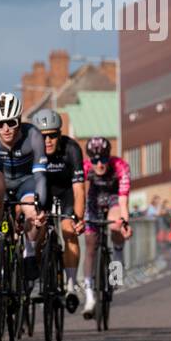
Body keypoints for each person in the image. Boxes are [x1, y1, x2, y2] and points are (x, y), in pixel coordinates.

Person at [0, 92, 48, 331]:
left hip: (26, 182)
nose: (6, 129)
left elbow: (40, 176)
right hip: (0, 186)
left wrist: (39, 205)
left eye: (12, 122)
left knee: (31, 209)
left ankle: (29, 252)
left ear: (20, 121)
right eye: (0, 123)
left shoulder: (33, 136)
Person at [33, 109, 86, 312]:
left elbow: (79, 189)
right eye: (42, 136)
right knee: (36, 234)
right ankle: (38, 278)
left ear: (60, 134)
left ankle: (71, 285)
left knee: (69, 231)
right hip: (42, 195)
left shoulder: (71, 148)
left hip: (66, 195)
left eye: (53, 135)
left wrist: (78, 218)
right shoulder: (32, 148)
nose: (47, 140)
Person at [82, 137, 131, 318]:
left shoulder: (121, 166)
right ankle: (89, 296)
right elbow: (79, 194)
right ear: (89, 160)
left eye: (103, 159)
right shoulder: (85, 167)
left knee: (116, 223)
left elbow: (123, 200)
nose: (100, 164)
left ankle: (117, 256)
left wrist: (125, 222)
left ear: (109, 157)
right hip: (93, 200)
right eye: (95, 160)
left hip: (113, 199)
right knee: (90, 245)